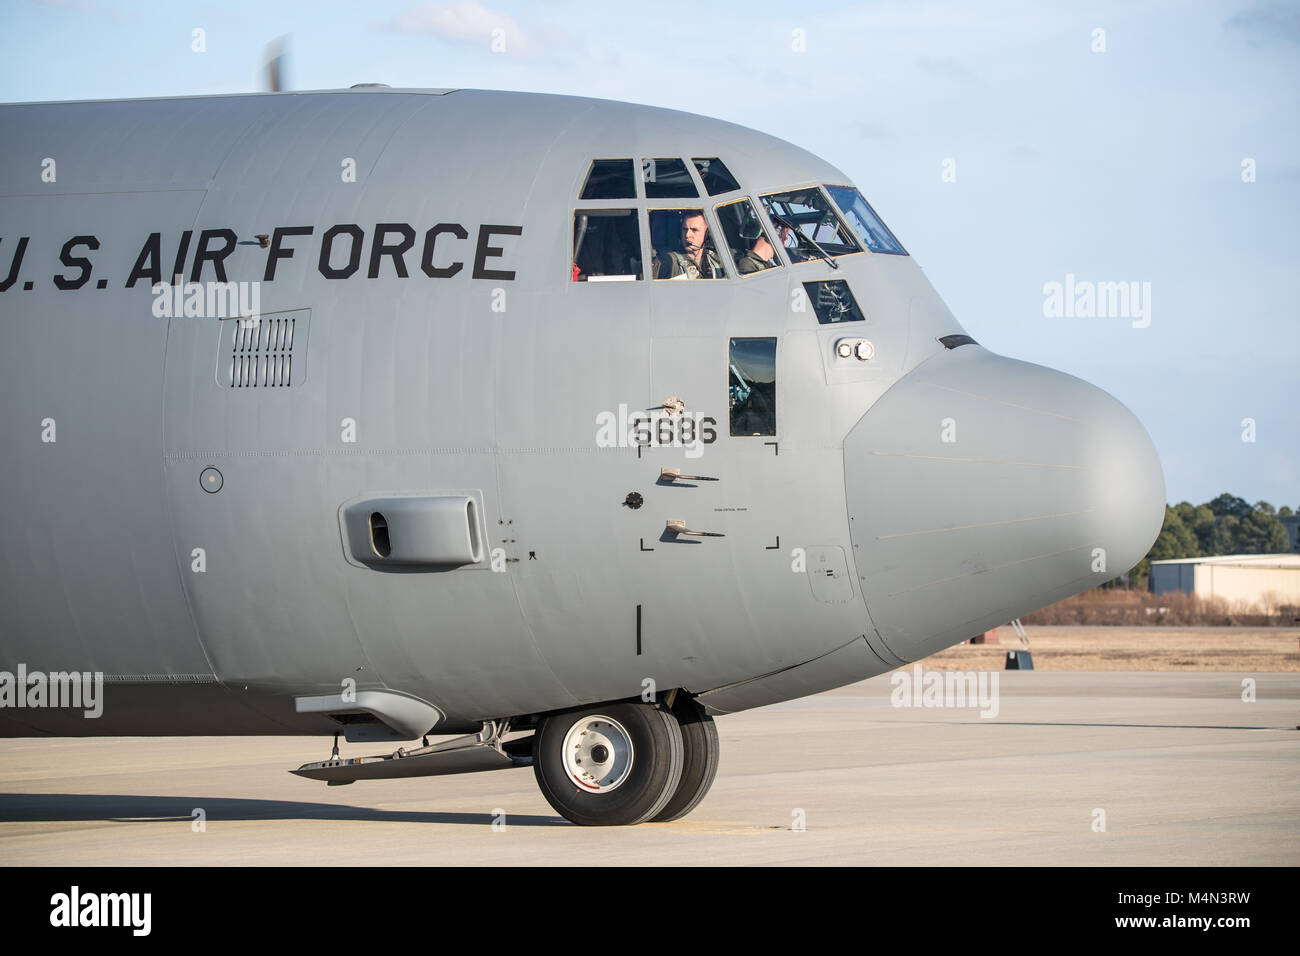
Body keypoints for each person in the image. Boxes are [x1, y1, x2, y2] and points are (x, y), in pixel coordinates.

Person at [654, 210, 725, 279]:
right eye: (684, 229)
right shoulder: (667, 261)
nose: (687, 235)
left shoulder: (719, 260)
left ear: (707, 234)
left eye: (694, 230)